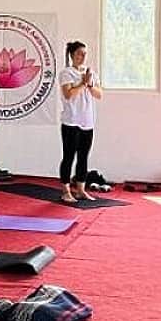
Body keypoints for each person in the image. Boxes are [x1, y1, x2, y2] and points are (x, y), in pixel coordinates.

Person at [58, 40, 102, 203]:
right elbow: (69, 94)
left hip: (87, 121)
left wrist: (89, 84)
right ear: (72, 55)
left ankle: (81, 190)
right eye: (79, 54)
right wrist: (83, 83)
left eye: (84, 54)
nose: (82, 57)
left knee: (83, 157)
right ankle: (65, 190)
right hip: (71, 121)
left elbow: (99, 94)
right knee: (69, 156)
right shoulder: (66, 73)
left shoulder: (90, 73)